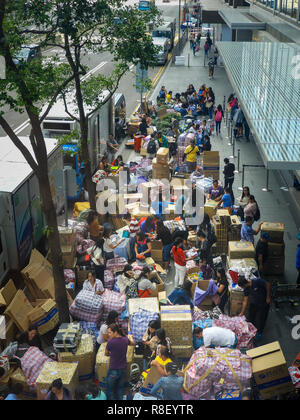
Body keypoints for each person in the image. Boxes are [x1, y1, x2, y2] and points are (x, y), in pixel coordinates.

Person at [105, 324, 135, 400]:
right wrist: (130, 337)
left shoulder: (111, 342)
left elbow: (106, 353)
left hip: (113, 370)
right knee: (120, 389)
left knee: (110, 390)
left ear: (115, 332)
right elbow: (132, 343)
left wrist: (111, 354)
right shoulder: (125, 340)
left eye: (110, 333)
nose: (108, 335)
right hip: (122, 369)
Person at [238, 275, 271, 340]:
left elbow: (268, 285)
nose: (242, 288)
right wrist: (242, 312)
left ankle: (260, 332)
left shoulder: (256, 281)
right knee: (251, 316)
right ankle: (251, 329)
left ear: (244, 284)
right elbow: (245, 300)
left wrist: (268, 297)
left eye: (242, 286)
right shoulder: (246, 289)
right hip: (255, 303)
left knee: (262, 318)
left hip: (264, 302)